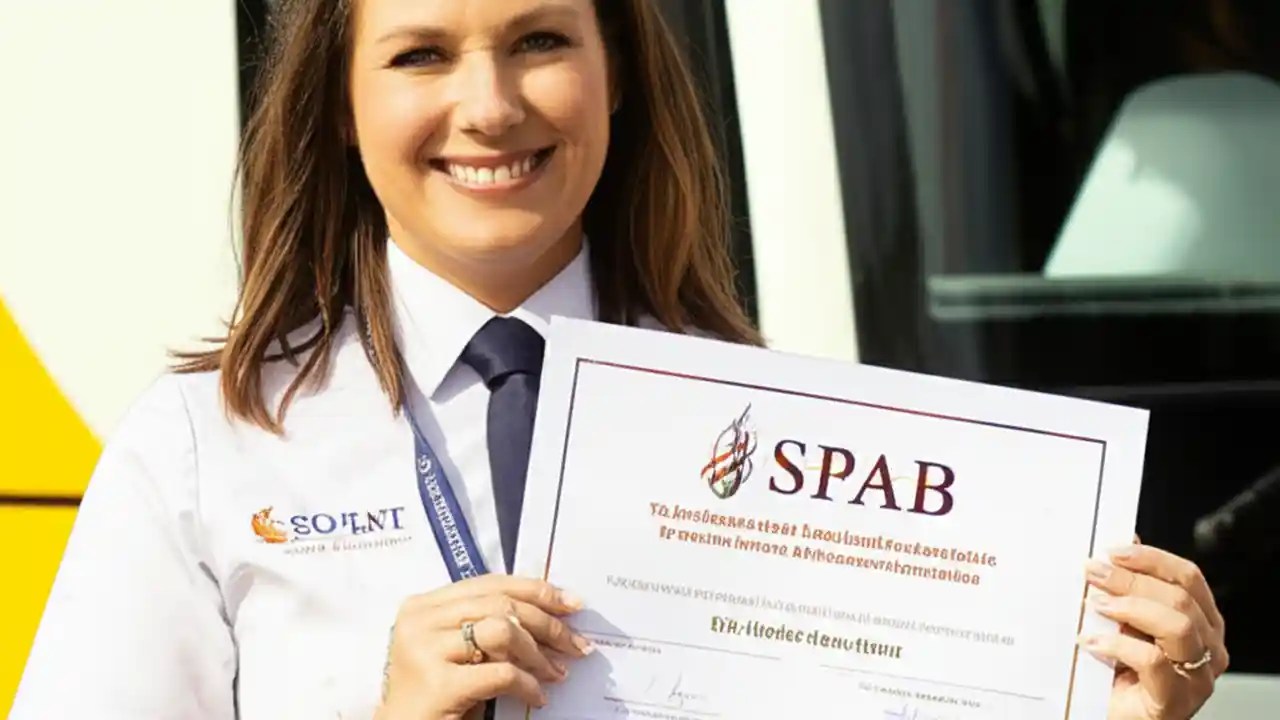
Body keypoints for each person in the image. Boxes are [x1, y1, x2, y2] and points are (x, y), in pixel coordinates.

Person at [11, 1, 1228, 718]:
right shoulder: (208, 442)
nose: (490, 107)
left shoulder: (796, 434)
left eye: (539, 39)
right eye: (420, 54)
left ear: (618, 75)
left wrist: (1112, 713)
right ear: (338, 103)